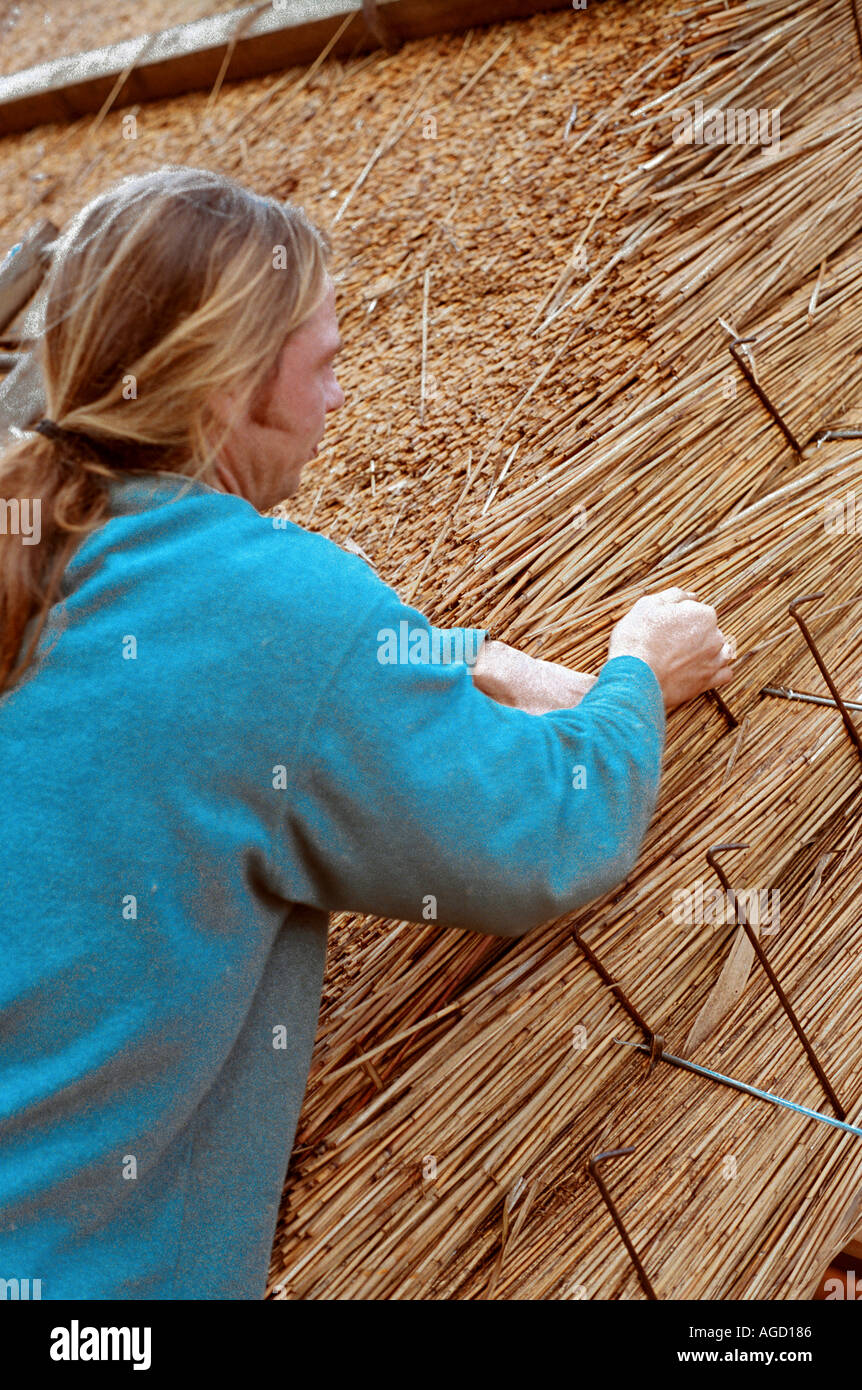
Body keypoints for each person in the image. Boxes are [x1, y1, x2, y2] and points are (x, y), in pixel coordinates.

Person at [0, 165, 733, 1300]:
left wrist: (449, 650)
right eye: (327, 366)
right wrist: (639, 667)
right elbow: (543, 828)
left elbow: (183, 705)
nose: (342, 402)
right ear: (234, 386)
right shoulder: (269, 601)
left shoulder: (46, 540)